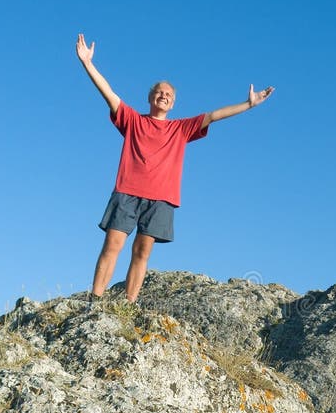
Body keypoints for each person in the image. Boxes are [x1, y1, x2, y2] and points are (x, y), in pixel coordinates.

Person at [76, 34, 274, 302]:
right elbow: (109, 94)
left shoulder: (180, 128)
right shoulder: (133, 120)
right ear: (150, 97)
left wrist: (248, 104)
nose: (163, 96)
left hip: (161, 198)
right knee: (113, 245)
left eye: (168, 94)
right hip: (127, 192)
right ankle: (95, 300)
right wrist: (88, 63)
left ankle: (129, 304)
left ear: (173, 103)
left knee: (142, 252)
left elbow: (214, 115)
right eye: (159, 92)